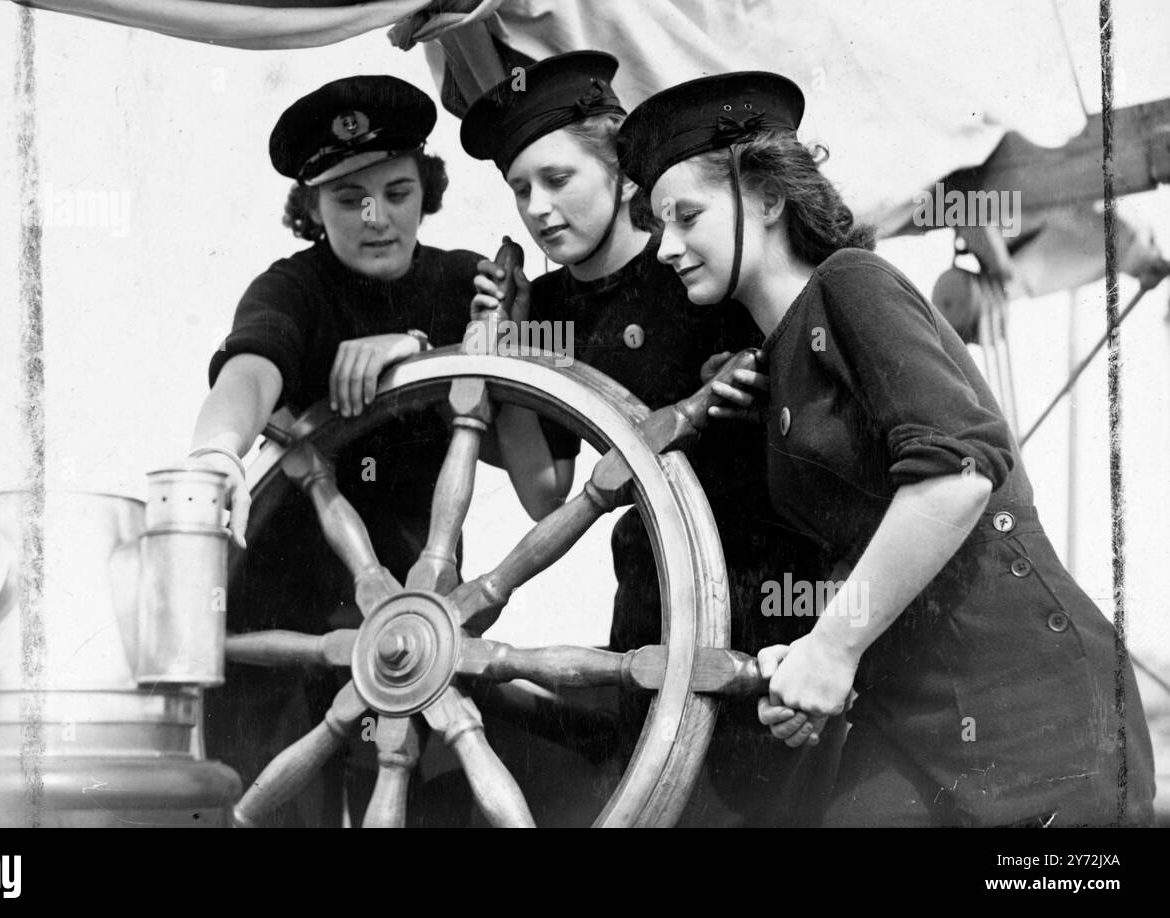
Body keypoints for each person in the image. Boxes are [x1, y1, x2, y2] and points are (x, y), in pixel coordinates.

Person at [617, 70, 1157, 827]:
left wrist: (832, 650)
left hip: (1027, 702)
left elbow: (959, 476)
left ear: (769, 198)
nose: (665, 248)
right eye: (656, 225)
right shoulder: (781, 359)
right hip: (908, 711)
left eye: (686, 217)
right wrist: (812, 656)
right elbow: (860, 545)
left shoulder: (852, 283)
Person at [459, 52, 840, 827]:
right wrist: (501, 360)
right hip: (654, 600)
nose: (537, 207)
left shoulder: (703, 261)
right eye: (520, 189)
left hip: (776, 583)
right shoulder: (548, 307)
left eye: (558, 179)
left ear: (621, 175)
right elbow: (544, 492)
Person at [189, 75, 481, 826]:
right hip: (280, 622)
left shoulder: (460, 285)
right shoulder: (293, 290)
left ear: (427, 189)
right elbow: (250, 369)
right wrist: (218, 453)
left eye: (397, 191)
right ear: (312, 209)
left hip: (415, 611)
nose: (376, 217)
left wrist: (415, 352)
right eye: (348, 200)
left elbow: (521, 422)